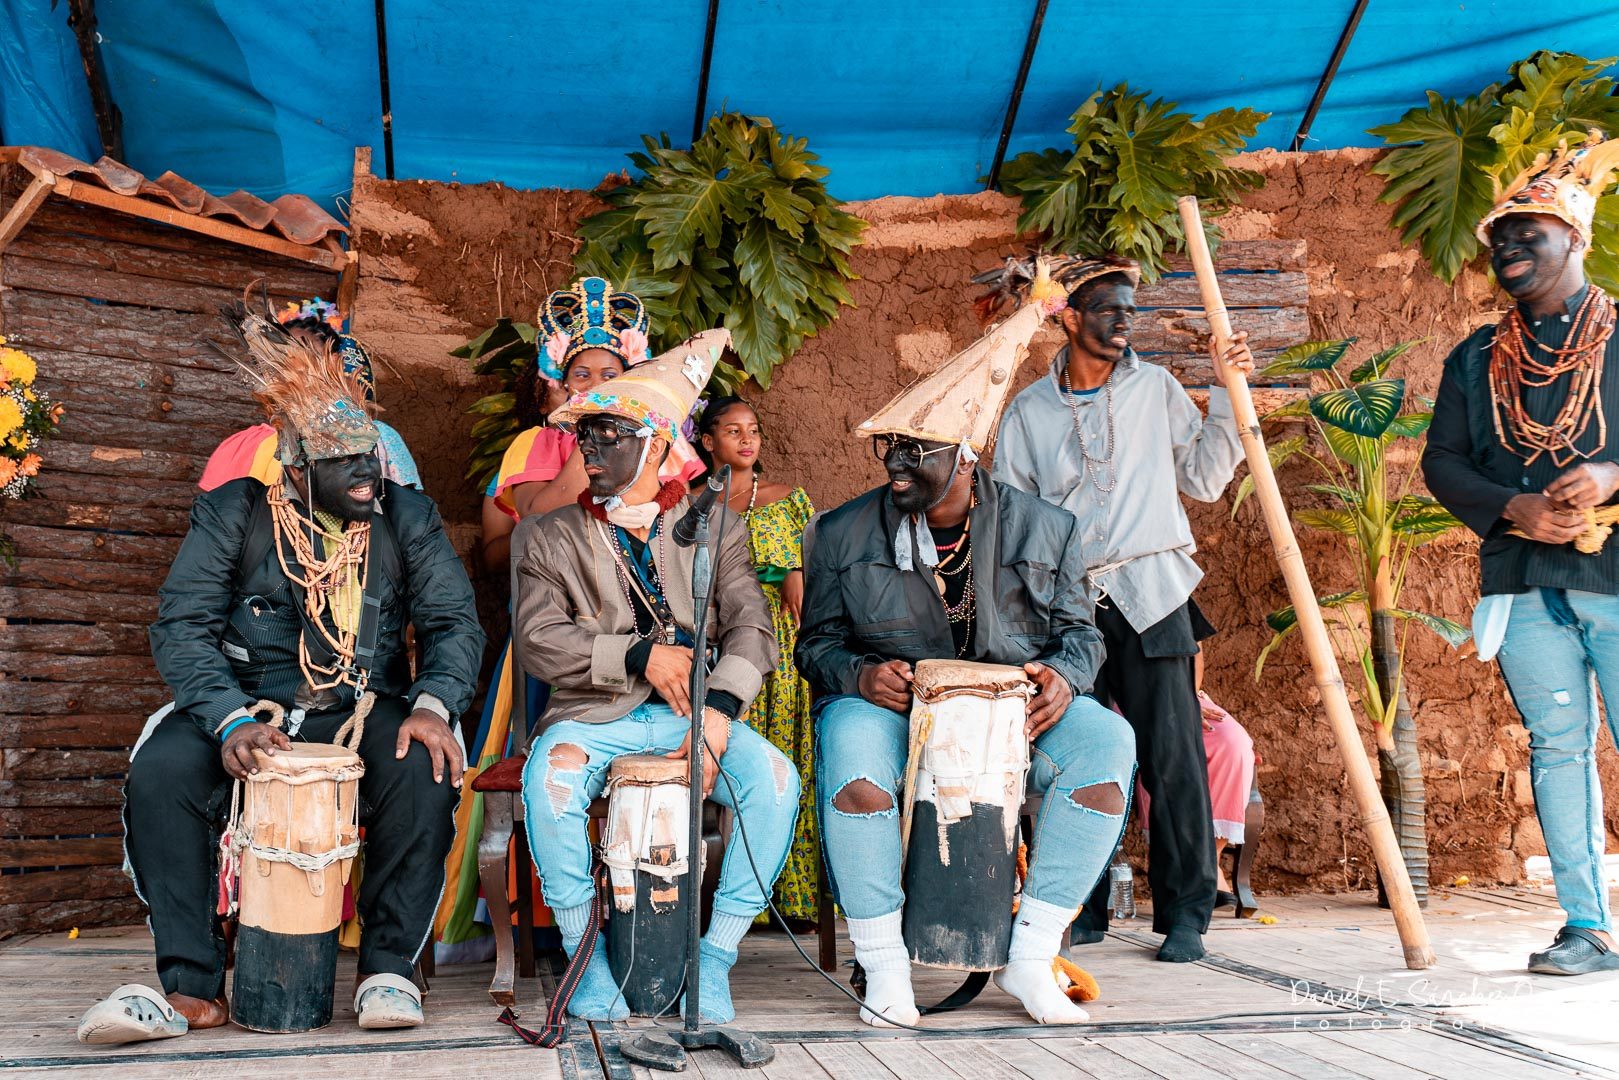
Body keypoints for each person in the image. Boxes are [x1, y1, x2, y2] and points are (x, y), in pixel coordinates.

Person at [78, 302, 483, 1045]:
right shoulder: (233, 511)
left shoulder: (407, 516)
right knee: (163, 773)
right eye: (345, 462)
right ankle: (190, 987)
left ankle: (388, 969)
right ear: (296, 466)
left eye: (371, 456)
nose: (369, 473)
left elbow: (455, 624)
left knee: (425, 764)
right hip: (248, 704)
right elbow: (182, 626)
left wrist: (433, 702)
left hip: (364, 704)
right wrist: (228, 718)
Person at [798, 278, 1137, 1028]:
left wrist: (1065, 678)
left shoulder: (1045, 527)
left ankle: (1030, 953)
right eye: (891, 447)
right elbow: (814, 645)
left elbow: (1081, 634)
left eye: (915, 451)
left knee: (1108, 749)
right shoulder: (840, 532)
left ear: (965, 457)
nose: (894, 464)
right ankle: (884, 967)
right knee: (855, 774)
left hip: (1013, 713)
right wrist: (856, 673)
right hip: (892, 707)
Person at [513, 329, 799, 1023]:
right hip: (591, 716)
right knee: (548, 784)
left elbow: (752, 629)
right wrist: (639, 655)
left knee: (776, 782)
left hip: (692, 713)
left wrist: (718, 712)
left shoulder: (712, 527)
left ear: (655, 443)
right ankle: (585, 960)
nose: (588, 450)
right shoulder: (547, 535)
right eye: (585, 437)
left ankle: (718, 956)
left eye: (606, 436)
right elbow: (538, 641)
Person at [991, 254, 1254, 963]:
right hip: (1067, 604)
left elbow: (1201, 478)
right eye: (1107, 309)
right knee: (1076, 753)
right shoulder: (1027, 413)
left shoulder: (1157, 388)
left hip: (1152, 589)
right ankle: (1078, 908)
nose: (1122, 323)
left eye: (1129, 311)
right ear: (1068, 317)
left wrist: (1227, 395)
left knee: (1172, 757)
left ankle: (1187, 912)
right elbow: (1011, 520)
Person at [439, 277, 703, 955]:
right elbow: (536, 525)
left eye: (609, 375)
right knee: (552, 776)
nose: (590, 381)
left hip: (648, 645)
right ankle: (549, 920)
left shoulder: (658, 441)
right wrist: (600, 441)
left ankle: (641, 911)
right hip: (561, 642)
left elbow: (681, 528)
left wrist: (635, 436)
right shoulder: (537, 447)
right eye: (578, 373)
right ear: (553, 381)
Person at [1423, 132, 1619, 976]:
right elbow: (1442, 462)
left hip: (1612, 578)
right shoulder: (1474, 356)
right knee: (1558, 746)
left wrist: (1611, 473)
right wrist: (1511, 506)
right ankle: (1587, 927)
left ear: (1572, 237)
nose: (1506, 248)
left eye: (1525, 234)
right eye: (1498, 239)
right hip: (1523, 581)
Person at [695, 396, 819, 924]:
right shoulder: (693, 505)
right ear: (707, 441)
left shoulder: (789, 499)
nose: (747, 441)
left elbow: (823, 561)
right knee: (734, 760)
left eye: (754, 431)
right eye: (732, 431)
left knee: (787, 757)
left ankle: (790, 898)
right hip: (722, 643)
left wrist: (795, 569)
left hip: (784, 643)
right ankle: (728, 897)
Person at [199, 296, 422, 492]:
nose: (297, 371)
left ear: (332, 366)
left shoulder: (380, 440)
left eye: (309, 359)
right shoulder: (241, 448)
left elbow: (409, 518)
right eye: (285, 360)